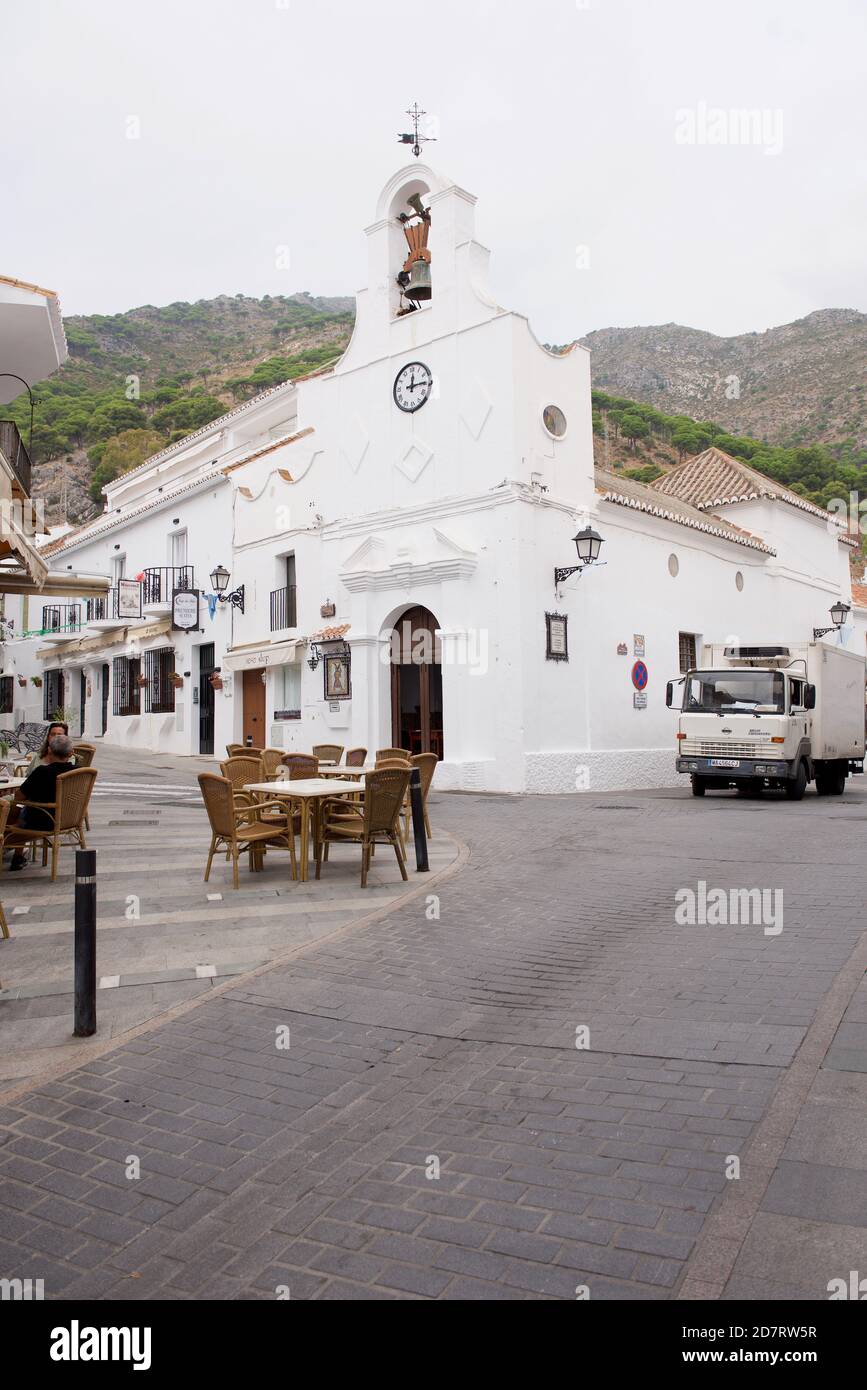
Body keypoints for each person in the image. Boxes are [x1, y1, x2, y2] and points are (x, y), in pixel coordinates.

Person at [8, 734, 75, 871]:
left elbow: (18, 796)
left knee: (9, 808)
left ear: (49, 750)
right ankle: (16, 853)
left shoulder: (42, 772)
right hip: (70, 819)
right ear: (71, 753)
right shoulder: (80, 771)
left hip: (42, 820)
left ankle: (13, 849)